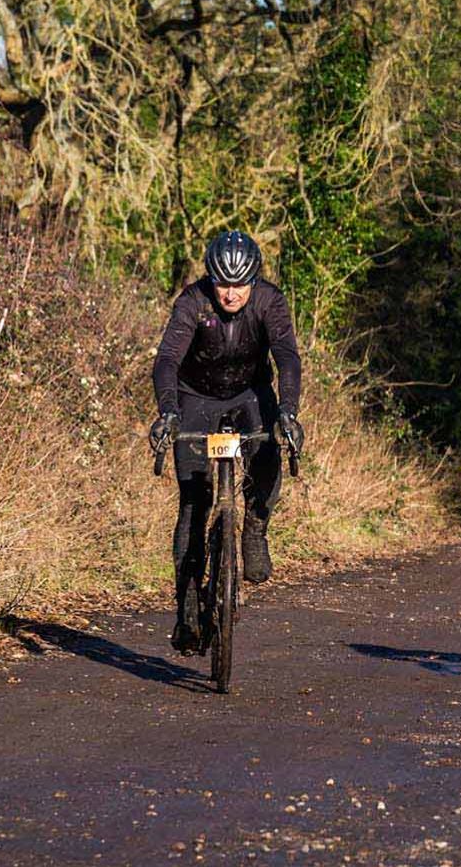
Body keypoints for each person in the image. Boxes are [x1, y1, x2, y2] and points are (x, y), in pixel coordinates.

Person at [150, 231, 306, 652]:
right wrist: (168, 411)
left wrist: (289, 411)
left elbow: (286, 356)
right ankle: (187, 610)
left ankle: (254, 528)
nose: (231, 294)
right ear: (210, 278)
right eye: (222, 284)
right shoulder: (192, 302)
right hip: (196, 397)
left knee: (269, 449)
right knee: (193, 504)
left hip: (250, 395)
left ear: (254, 280)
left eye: (240, 285)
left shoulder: (269, 301)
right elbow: (167, 359)